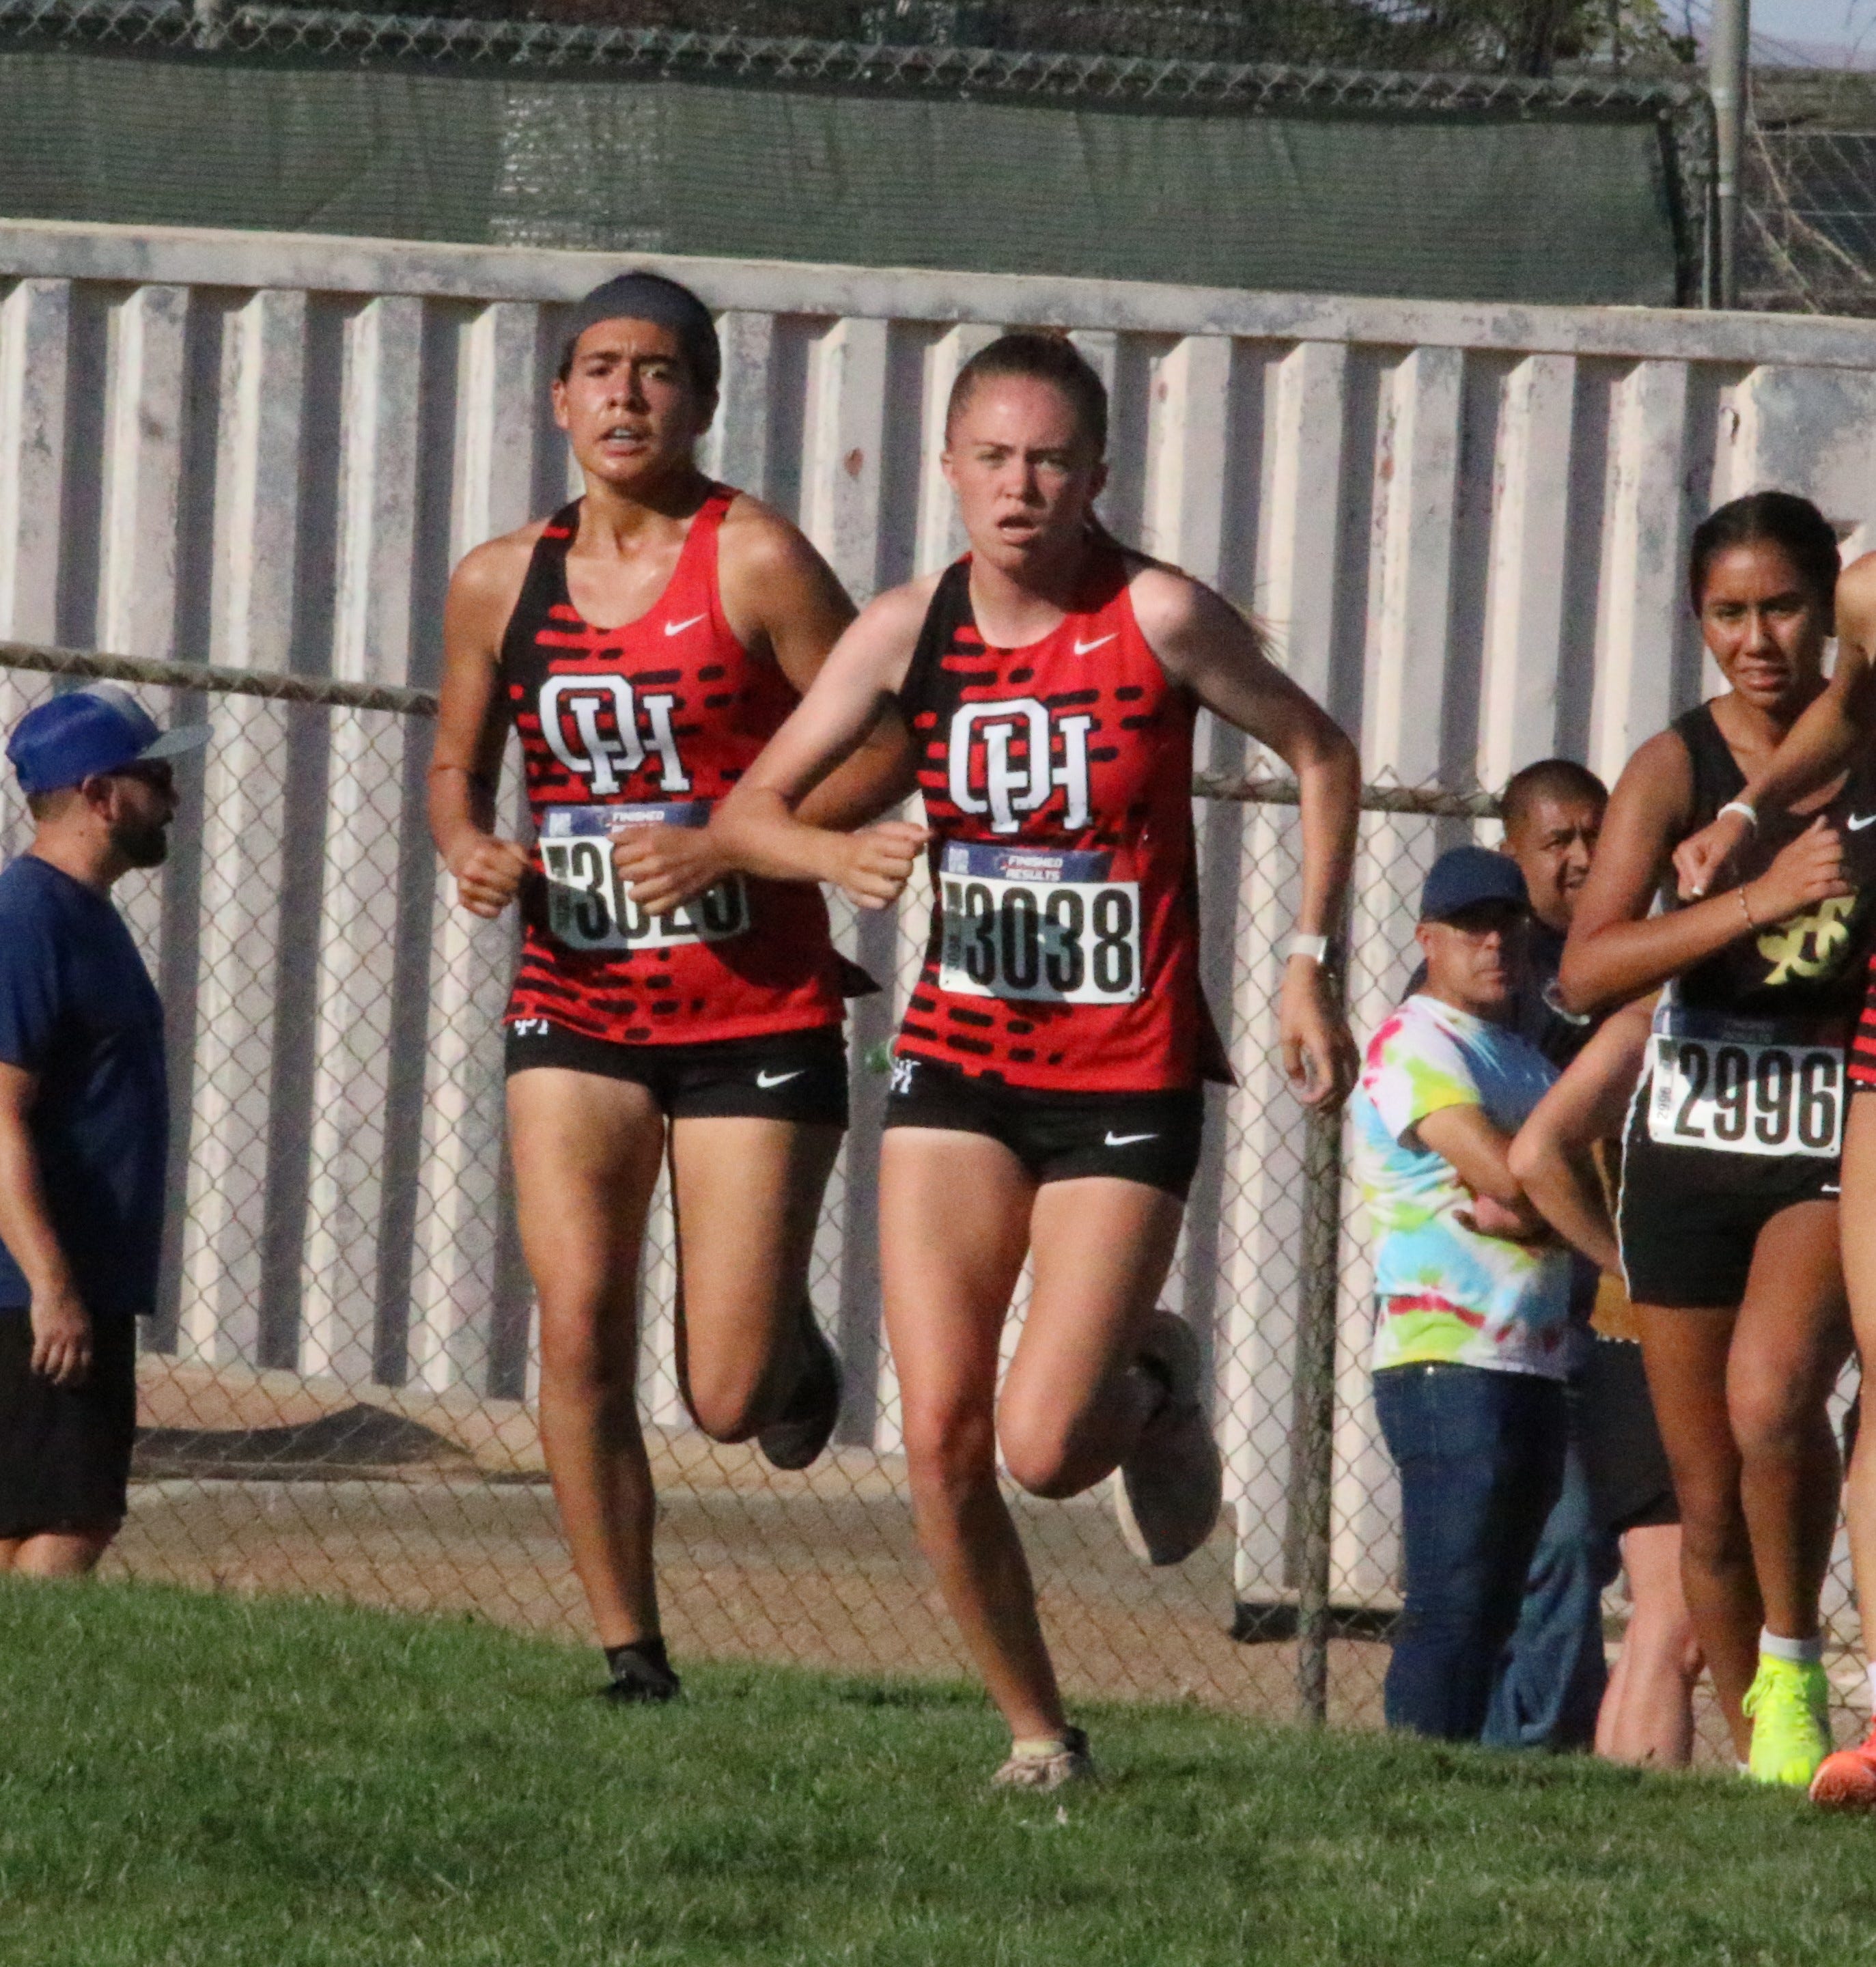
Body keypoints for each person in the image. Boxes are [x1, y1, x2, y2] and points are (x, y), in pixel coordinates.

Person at [711, 331, 1360, 1787]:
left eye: (1050, 460)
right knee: (939, 1435)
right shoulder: (903, 628)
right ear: (947, 469)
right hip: (957, 1065)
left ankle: (1145, 1380)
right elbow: (748, 811)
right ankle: (1036, 1738)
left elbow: (1321, 755)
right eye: (993, 459)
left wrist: (1305, 965)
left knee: (1046, 1446)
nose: (1020, 488)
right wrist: (832, 851)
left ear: (1096, 478)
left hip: (1122, 1074)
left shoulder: (1158, 617)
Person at [428, 273, 908, 1705]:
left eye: (655, 372)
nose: (625, 395)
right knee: (574, 1320)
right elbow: (458, 759)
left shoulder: (754, 557)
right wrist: (467, 844)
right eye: (599, 369)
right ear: (557, 398)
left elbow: (887, 745)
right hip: (572, 1003)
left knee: (722, 1393)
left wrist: (735, 840)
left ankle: (783, 1350)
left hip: (754, 1005)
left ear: (699, 401)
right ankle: (631, 1656)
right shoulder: (494, 577)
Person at [1558, 490, 1868, 1787]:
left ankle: (1794, 1662)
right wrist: (1750, 900)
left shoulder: (1865, 736)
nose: (1757, 640)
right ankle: (1763, 1763)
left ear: (1829, 614)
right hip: (1689, 1142)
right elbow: (1585, 970)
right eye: (1728, 615)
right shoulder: (1673, 764)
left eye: (1782, 608)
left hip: (1827, 1132)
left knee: (1774, 1401)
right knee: (1704, 1500)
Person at [1349, 846, 1576, 1741]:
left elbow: (1558, 1185)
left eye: (1505, 925)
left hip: (1529, 1358)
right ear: (1426, 939)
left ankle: (1463, 1788)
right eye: (1470, 926)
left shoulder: (1521, 1058)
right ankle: (1412, 1779)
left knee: (1494, 1610)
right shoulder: (1414, 1044)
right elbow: (1511, 1179)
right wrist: (1559, 1212)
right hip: (1445, 1361)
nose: (1492, 942)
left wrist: (1541, 1210)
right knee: (1450, 1600)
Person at [0, 684, 206, 1578]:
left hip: (65, 1285)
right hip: (31, 1292)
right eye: (154, 774)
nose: (172, 793)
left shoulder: (81, 916)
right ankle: (45, 1705)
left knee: (32, 1515)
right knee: (70, 1519)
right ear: (98, 793)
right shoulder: (30, 920)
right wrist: (52, 1286)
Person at [1509, 998, 1705, 1766]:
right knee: (1675, 1621)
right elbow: (1533, 1155)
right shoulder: (1646, 1024)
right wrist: (1619, 1261)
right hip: (1642, 1343)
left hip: (1658, 1344)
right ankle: (1649, 1816)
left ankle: (1625, 1802)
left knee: (1667, 1620)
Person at [1481, 758, 1616, 1753]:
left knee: (1596, 1548)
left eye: (1592, 836)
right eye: (1555, 840)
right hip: (1502, 1318)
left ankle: (1556, 1755)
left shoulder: (1634, 959)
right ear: (1511, 853)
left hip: (1615, 1318)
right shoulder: (1485, 976)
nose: (1578, 858)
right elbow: (1475, 1174)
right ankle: (1522, 1758)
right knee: (1550, 1541)